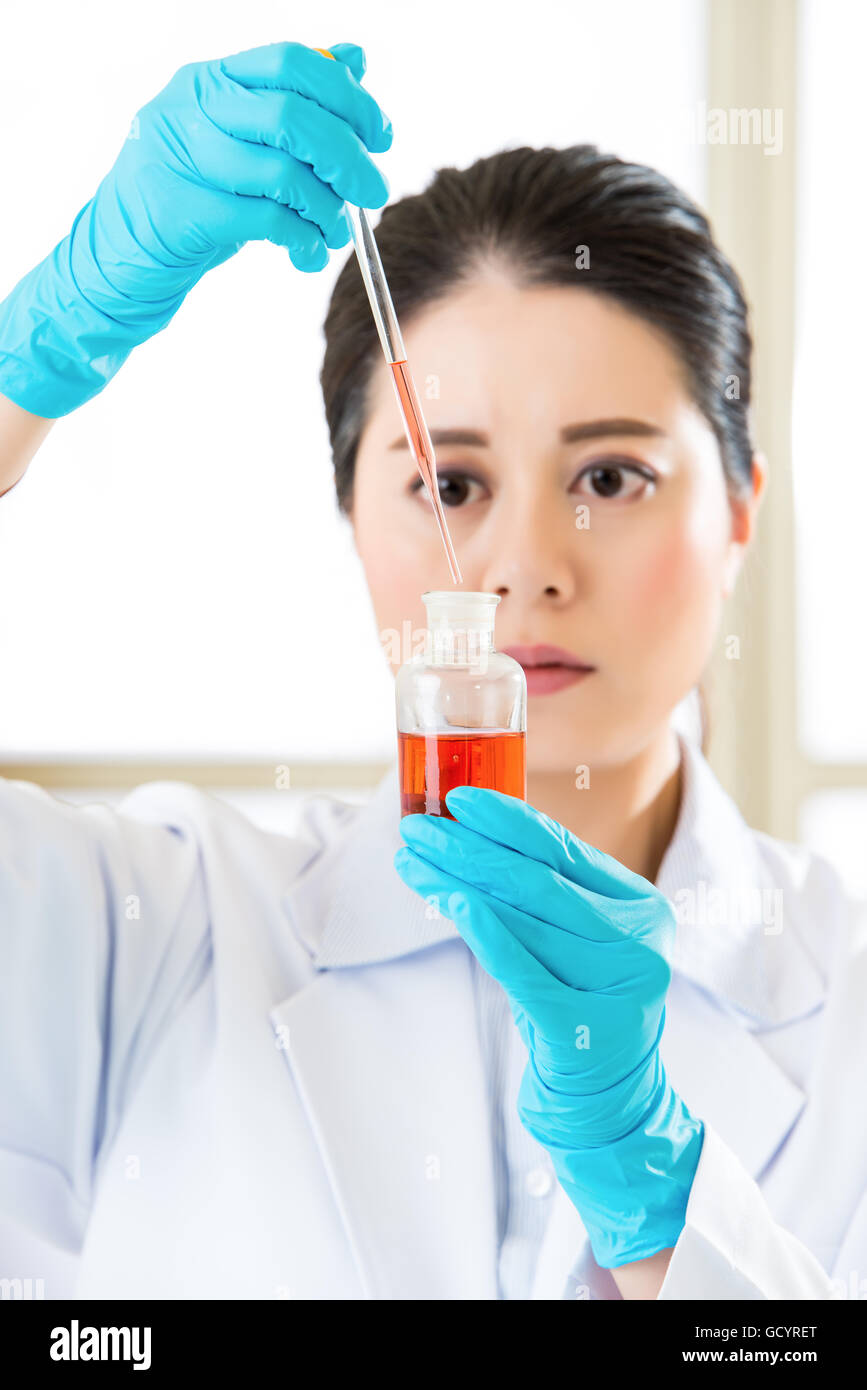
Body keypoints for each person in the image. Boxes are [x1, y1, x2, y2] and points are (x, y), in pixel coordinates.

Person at [0, 39, 863, 1302]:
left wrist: (659, 1205)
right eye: (448, 484)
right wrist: (24, 368)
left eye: (611, 476)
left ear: (740, 510)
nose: (520, 567)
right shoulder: (148, 936)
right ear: (351, 517)